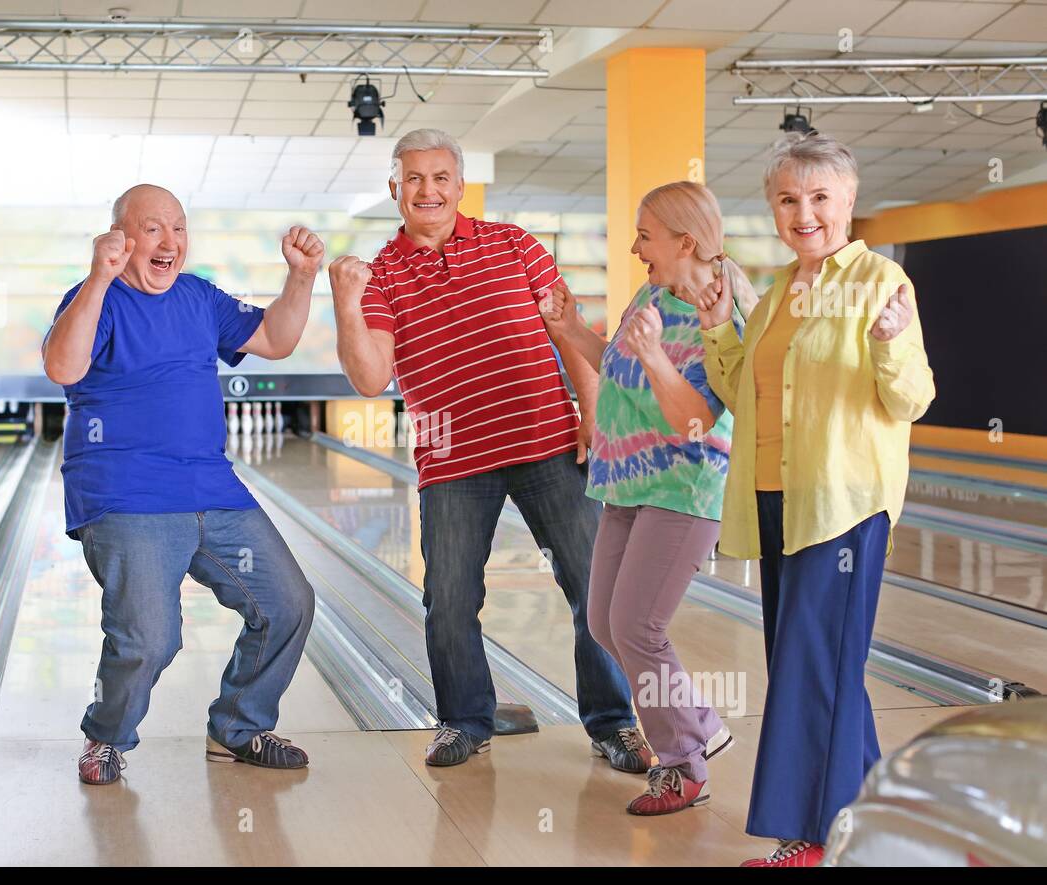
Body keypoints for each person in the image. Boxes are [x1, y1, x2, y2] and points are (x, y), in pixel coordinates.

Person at [328, 128, 645, 770]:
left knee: (594, 585)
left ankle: (613, 722)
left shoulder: (515, 244)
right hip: (452, 461)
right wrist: (344, 302)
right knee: (448, 598)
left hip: (547, 442)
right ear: (394, 189)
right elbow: (368, 378)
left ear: (459, 185)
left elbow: (567, 333)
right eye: (413, 178)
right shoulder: (382, 274)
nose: (428, 189)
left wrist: (593, 414)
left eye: (440, 177)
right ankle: (464, 721)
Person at [694, 133, 932, 865]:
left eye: (820, 197)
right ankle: (877, 815)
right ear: (773, 209)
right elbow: (742, 396)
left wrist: (891, 341)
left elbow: (913, 397)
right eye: (789, 199)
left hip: (843, 506)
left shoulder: (882, 284)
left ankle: (812, 835)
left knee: (809, 666)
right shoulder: (773, 296)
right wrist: (715, 329)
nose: (805, 213)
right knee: (816, 662)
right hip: (775, 501)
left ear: (849, 202)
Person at [42, 184, 325, 783]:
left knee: (287, 603)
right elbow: (63, 367)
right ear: (120, 239)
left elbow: (275, 339)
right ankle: (106, 737)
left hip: (214, 494)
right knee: (149, 639)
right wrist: (97, 278)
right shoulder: (97, 299)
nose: (170, 241)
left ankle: (239, 728)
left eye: (179, 228)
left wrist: (300, 278)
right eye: (153, 229)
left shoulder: (199, 298)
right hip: (126, 498)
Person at [543, 181, 755, 815]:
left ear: (685, 241)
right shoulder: (652, 294)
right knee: (606, 623)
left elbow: (695, 417)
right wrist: (572, 330)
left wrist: (658, 356)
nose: (635, 247)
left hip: (681, 491)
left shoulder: (722, 314)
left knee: (638, 626)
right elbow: (623, 366)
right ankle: (698, 727)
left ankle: (685, 760)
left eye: (645, 235)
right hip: (625, 486)